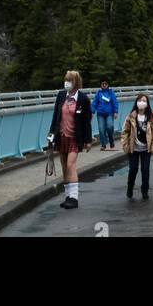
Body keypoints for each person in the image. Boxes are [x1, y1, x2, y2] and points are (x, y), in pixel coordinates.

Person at [48, 69, 93, 209]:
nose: (67, 83)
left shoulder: (83, 99)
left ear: (76, 83)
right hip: (61, 136)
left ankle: (74, 197)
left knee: (70, 165)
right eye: (66, 80)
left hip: (75, 137)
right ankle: (67, 195)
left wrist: (88, 140)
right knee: (64, 166)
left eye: (70, 81)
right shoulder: (61, 95)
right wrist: (50, 137)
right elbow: (55, 117)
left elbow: (87, 121)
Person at [121, 93, 153, 200]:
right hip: (133, 148)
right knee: (133, 169)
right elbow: (125, 131)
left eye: (144, 101)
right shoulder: (131, 116)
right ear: (136, 102)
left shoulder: (150, 117)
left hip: (145, 149)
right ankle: (130, 188)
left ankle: (145, 191)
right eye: (140, 100)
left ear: (147, 103)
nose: (141, 103)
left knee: (145, 170)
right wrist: (125, 145)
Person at [92, 78, 119, 150]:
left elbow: (115, 102)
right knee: (101, 129)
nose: (104, 85)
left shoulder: (111, 93)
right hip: (100, 114)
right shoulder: (98, 93)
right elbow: (94, 103)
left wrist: (116, 112)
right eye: (102, 84)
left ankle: (111, 141)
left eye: (105, 84)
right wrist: (92, 111)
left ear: (108, 85)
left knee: (110, 126)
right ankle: (103, 145)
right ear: (100, 85)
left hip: (109, 113)